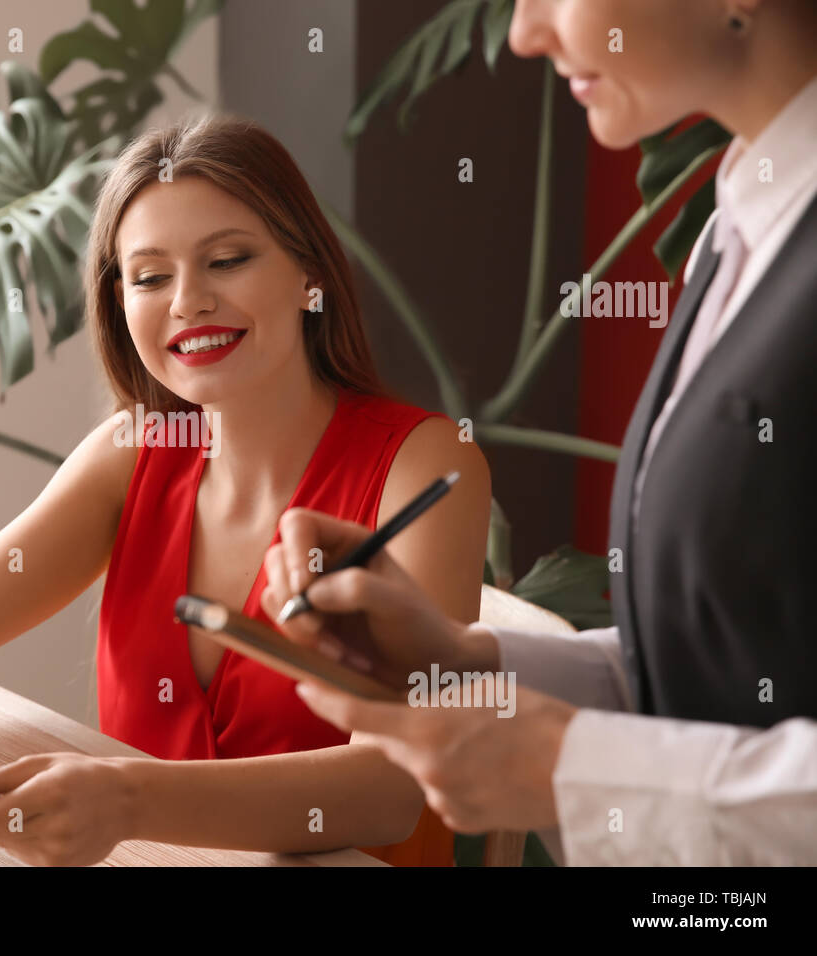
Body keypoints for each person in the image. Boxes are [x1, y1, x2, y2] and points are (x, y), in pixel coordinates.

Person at [0, 113, 492, 866]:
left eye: (228, 260)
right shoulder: (134, 451)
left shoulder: (424, 463)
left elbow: (391, 788)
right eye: (149, 276)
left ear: (310, 276)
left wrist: (131, 798)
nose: (187, 301)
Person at [258, 0, 817, 865]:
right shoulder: (740, 223)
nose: (523, 34)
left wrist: (575, 769)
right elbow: (722, 679)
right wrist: (457, 660)